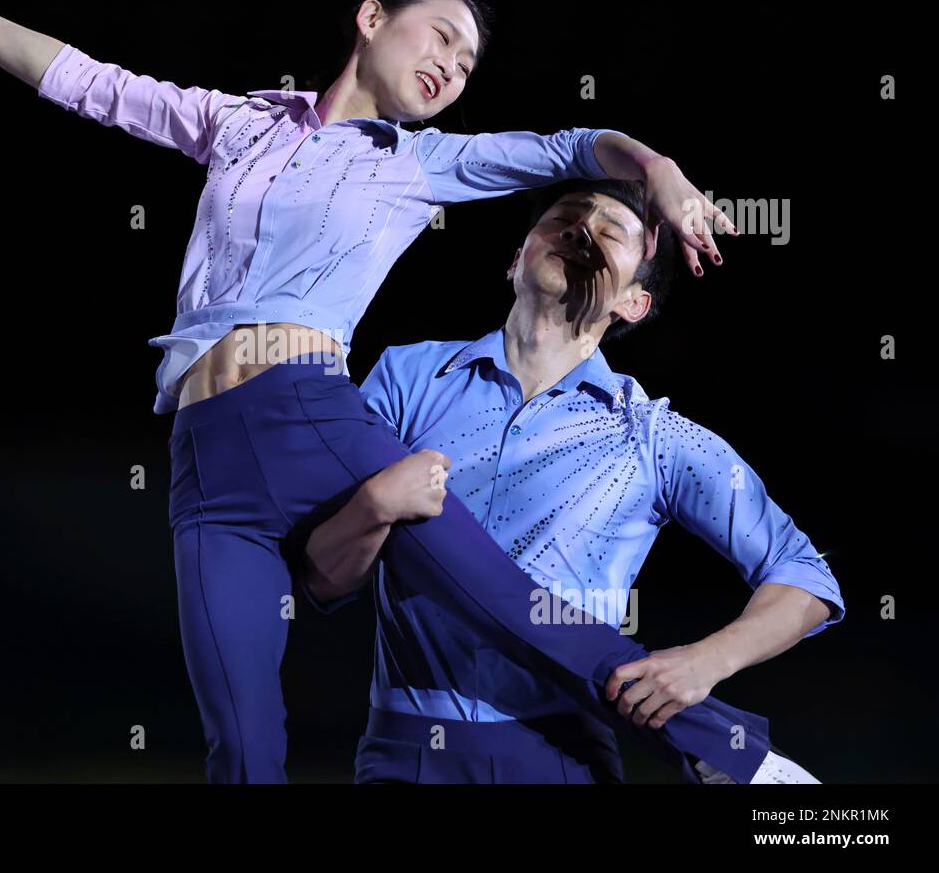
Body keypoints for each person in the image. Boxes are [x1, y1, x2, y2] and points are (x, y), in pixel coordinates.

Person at [0, 0, 763, 784]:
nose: (452, 67)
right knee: (240, 744)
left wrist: (662, 173)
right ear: (370, 18)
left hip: (314, 422)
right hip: (207, 466)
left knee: (513, 611)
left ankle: (737, 754)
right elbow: (85, 82)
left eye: (468, 65)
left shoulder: (421, 163)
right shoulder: (238, 123)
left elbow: (574, 145)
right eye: (441, 36)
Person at [300, 178, 843, 783]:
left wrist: (704, 662)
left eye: (611, 234)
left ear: (633, 303)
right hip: (406, 748)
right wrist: (374, 505)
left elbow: (806, 579)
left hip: (558, 756)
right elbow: (324, 577)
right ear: (516, 260)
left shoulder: (655, 438)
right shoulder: (407, 376)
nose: (582, 231)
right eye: (564, 220)